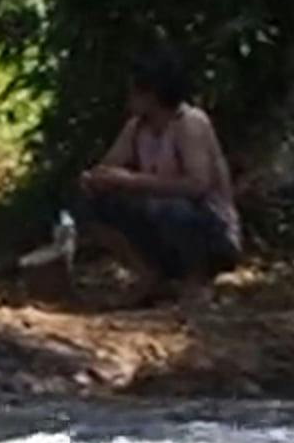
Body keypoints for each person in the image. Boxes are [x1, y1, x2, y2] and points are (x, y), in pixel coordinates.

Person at [78, 53, 242, 306]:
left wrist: (132, 181)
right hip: (161, 221)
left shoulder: (189, 124)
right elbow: (109, 165)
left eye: (134, 92)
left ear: (151, 95)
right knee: (95, 203)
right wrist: (96, 179)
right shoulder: (136, 127)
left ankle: (196, 281)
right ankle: (147, 273)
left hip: (210, 229)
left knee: (169, 207)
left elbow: (198, 185)